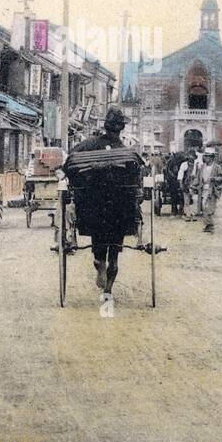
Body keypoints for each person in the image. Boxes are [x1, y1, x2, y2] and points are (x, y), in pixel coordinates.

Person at [70, 105, 140, 298]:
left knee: (98, 238)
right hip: (120, 210)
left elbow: (70, 163)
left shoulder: (86, 146)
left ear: (105, 126)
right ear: (121, 128)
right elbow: (135, 179)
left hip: (92, 207)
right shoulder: (126, 151)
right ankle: (109, 283)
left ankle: (99, 263)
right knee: (115, 247)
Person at [199, 147, 222, 233]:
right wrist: (193, 186)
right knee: (203, 206)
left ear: (211, 158)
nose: (205, 158)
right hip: (203, 190)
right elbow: (198, 177)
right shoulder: (202, 167)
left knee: (208, 207)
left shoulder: (217, 167)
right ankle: (208, 224)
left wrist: (214, 178)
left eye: (207, 156)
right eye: (205, 156)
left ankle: (210, 225)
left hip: (212, 190)